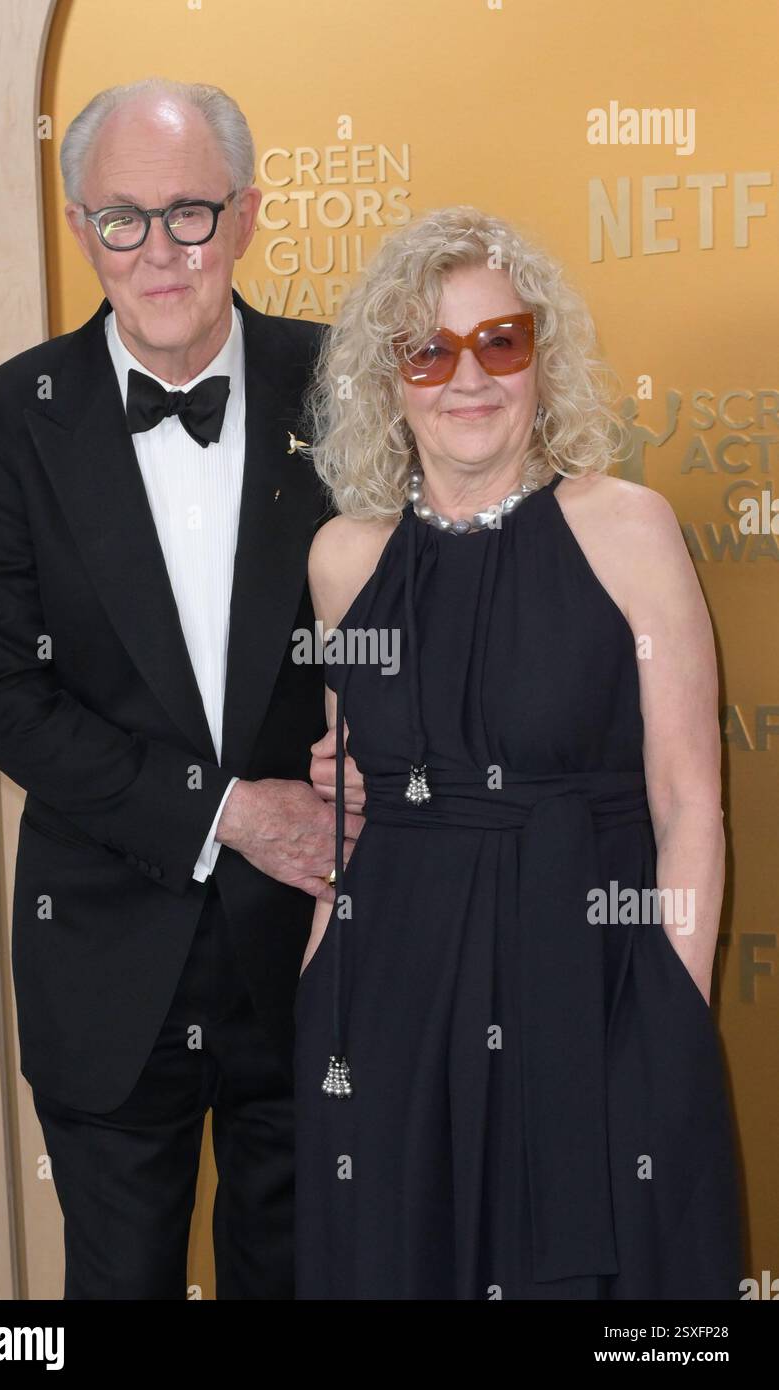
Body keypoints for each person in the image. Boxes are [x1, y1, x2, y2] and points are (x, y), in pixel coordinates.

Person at [0, 77, 364, 1300]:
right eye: (121, 217)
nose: (157, 249)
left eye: (188, 212)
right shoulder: (1, 422)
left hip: (315, 939)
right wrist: (229, 809)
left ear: (243, 216)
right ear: (80, 227)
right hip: (107, 956)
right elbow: (0, 697)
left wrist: (374, 754)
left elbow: (409, 623)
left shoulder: (345, 384)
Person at [294, 206, 743, 1299]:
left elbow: (688, 803)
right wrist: (318, 982)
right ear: (387, 375)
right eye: (427, 349)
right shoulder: (342, 560)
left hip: (589, 984)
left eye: (498, 341)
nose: (467, 378)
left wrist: (666, 1021)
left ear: (540, 357)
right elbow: (348, 802)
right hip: (386, 999)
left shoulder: (625, 527)